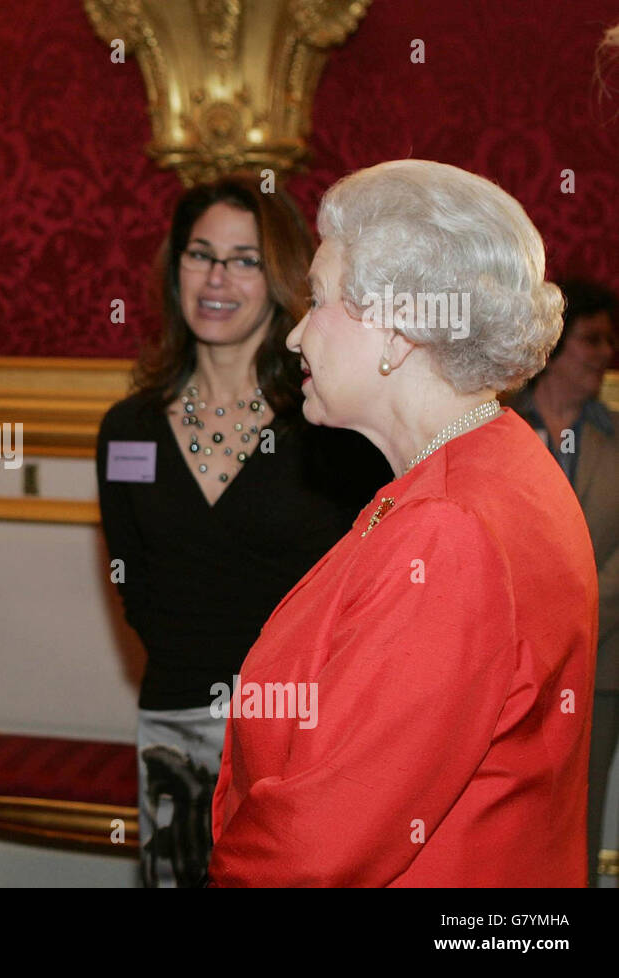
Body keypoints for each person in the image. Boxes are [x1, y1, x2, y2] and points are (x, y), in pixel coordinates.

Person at [209, 159, 596, 886]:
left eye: (318, 301)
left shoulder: (449, 526)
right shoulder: (498, 461)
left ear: (398, 328)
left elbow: (317, 848)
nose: (296, 340)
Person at [95, 176, 388, 886]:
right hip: (176, 727)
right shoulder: (128, 429)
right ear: (175, 270)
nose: (217, 278)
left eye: (245, 259)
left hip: (302, 735)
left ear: (281, 276)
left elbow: (366, 594)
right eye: (200, 255)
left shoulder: (328, 426)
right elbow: (134, 586)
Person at [509, 279, 619, 885]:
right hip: (502, 667)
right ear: (552, 347)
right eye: (591, 339)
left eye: (610, 341)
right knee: (503, 820)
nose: (604, 353)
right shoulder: (496, 426)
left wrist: (570, 612)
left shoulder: (615, 437)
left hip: (599, 668)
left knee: (578, 820)